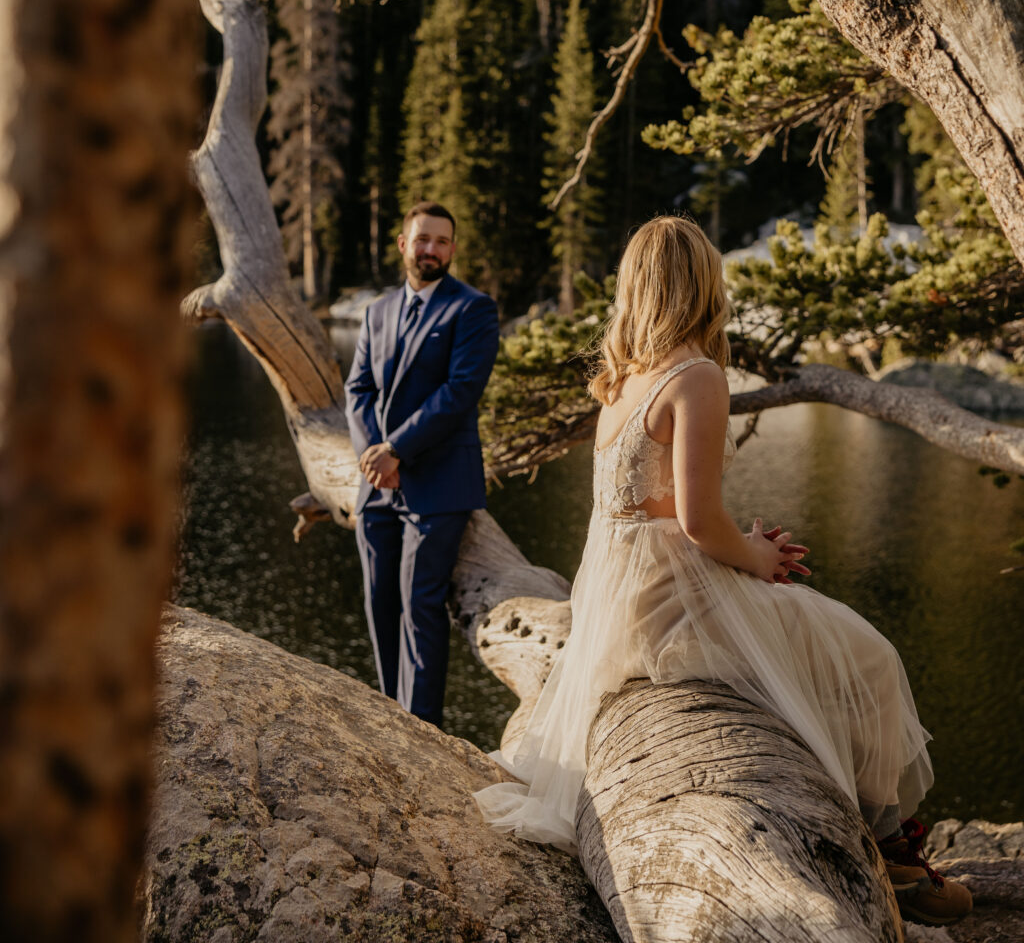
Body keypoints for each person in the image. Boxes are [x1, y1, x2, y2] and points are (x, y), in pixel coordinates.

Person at [474, 215, 971, 927]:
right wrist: (758, 555)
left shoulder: (620, 381)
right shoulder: (696, 375)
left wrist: (743, 544)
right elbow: (699, 522)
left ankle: (869, 828)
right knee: (867, 655)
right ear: (702, 285)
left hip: (624, 595)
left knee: (815, 648)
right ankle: (892, 845)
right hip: (670, 597)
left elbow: (653, 512)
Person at [345, 201, 499, 729]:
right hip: (377, 487)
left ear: (452, 250)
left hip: (438, 484)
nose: (431, 249)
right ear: (403, 244)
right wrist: (375, 457)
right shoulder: (377, 310)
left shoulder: (472, 309)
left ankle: (423, 732)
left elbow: (459, 394)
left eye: (442, 241)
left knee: (420, 605)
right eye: (422, 238)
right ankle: (390, 724)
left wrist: (398, 451)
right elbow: (357, 388)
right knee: (380, 605)